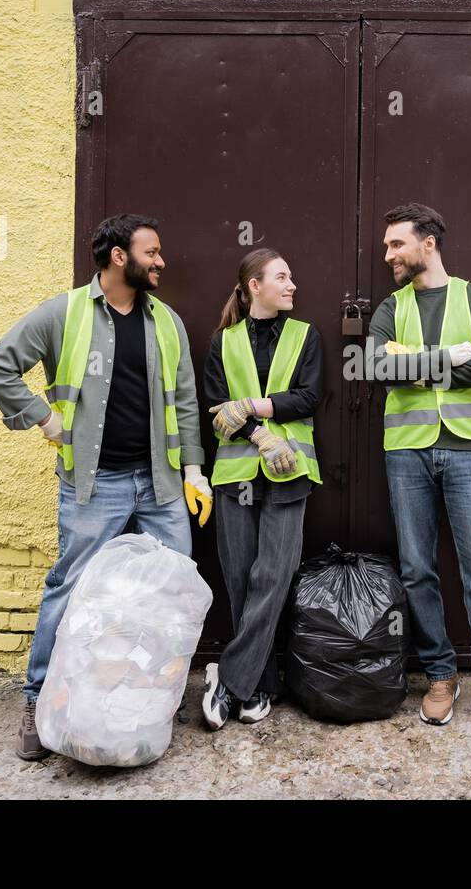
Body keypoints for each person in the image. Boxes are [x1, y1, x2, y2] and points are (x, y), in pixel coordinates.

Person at [0, 213, 212, 760]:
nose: (161, 261)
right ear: (118, 257)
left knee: (169, 591)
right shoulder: (65, 314)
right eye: (151, 252)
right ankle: (38, 703)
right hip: (95, 483)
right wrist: (44, 420)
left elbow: (184, 402)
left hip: (160, 484)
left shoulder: (166, 322)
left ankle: (154, 700)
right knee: (70, 585)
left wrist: (194, 469)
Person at [364, 202, 471, 742]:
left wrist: (414, 362)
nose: (388, 255)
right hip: (406, 451)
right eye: (387, 247)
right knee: (416, 569)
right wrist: (450, 357)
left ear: (427, 243)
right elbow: (375, 366)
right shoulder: (390, 307)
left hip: (470, 449)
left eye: (396, 245)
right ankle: (439, 675)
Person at [201, 248, 322, 730]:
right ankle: (258, 685)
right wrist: (259, 434)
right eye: (282, 277)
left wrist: (250, 406)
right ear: (255, 286)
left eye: (291, 277)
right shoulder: (223, 342)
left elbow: (310, 396)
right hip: (235, 477)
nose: (292, 285)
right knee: (239, 579)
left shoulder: (306, 337)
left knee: (273, 577)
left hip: (290, 472)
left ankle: (228, 679)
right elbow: (215, 406)